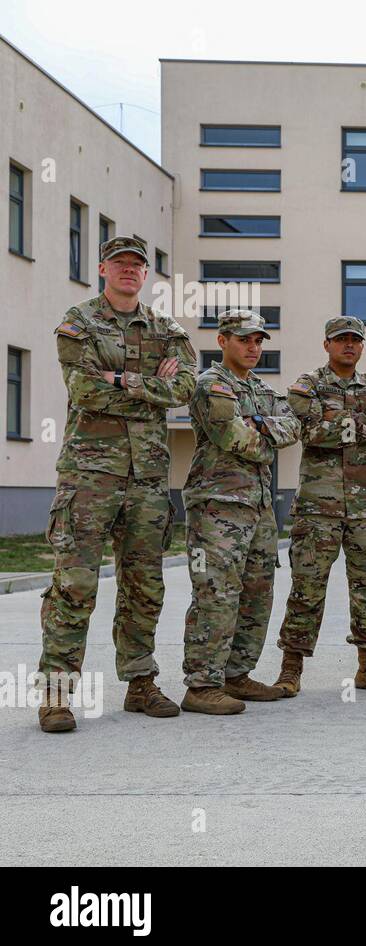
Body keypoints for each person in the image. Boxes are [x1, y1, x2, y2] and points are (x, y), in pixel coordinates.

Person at [38, 236, 196, 733]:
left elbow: (183, 388)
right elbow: (84, 389)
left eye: (137, 265)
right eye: (120, 264)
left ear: (145, 273)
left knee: (144, 585)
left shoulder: (166, 328)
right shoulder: (79, 321)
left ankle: (140, 684)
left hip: (148, 477)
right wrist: (147, 385)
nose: (129, 271)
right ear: (103, 268)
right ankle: (56, 696)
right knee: (75, 583)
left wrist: (120, 379)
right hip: (89, 476)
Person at [273, 316, 366, 696]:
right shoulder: (307, 385)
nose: (348, 345)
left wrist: (336, 421)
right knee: (307, 588)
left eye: (355, 340)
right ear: (326, 345)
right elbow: (303, 429)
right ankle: (291, 667)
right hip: (318, 506)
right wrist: (362, 423)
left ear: (362, 346)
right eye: (340, 339)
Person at [181, 310, 300, 714]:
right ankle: (202, 684)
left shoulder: (262, 389)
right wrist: (266, 435)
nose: (253, 347)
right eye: (244, 339)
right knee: (216, 593)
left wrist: (258, 424)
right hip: (217, 506)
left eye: (258, 341)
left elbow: (295, 426)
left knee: (256, 594)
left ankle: (237, 675)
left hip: (260, 505)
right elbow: (232, 437)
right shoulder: (210, 384)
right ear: (223, 341)